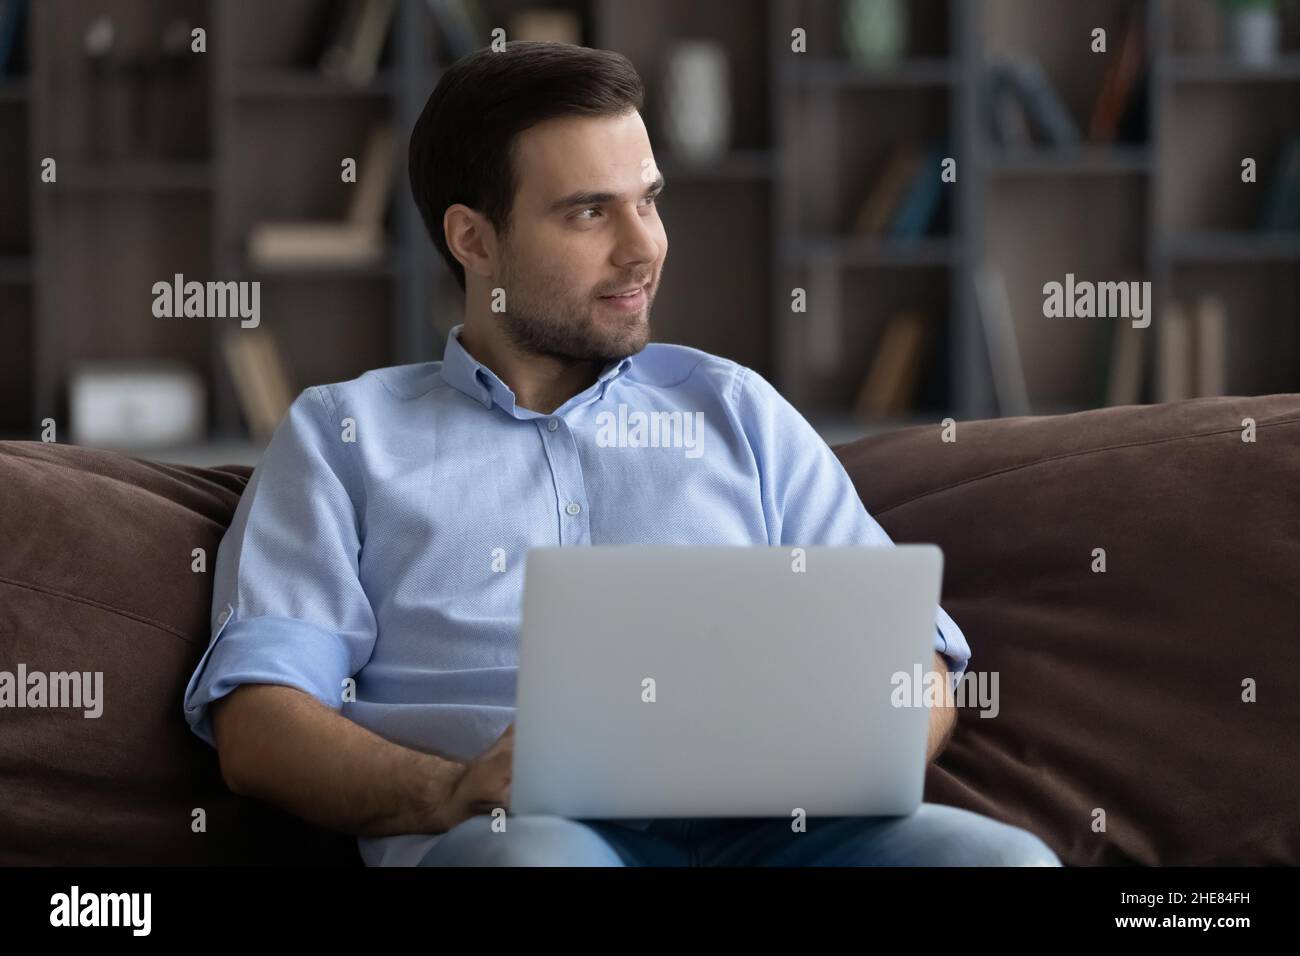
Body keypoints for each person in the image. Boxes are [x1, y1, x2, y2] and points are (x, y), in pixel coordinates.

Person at [183, 41, 1060, 868]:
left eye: (647, 199)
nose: (644, 246)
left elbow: (918, 660)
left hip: (786, 836)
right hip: (528, 834)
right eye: (590, 212)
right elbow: (260, 723)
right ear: (473, 239)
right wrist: (450, 790)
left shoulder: (736, 409)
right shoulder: (344, 437)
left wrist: (863, 744)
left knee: (1008, 860)